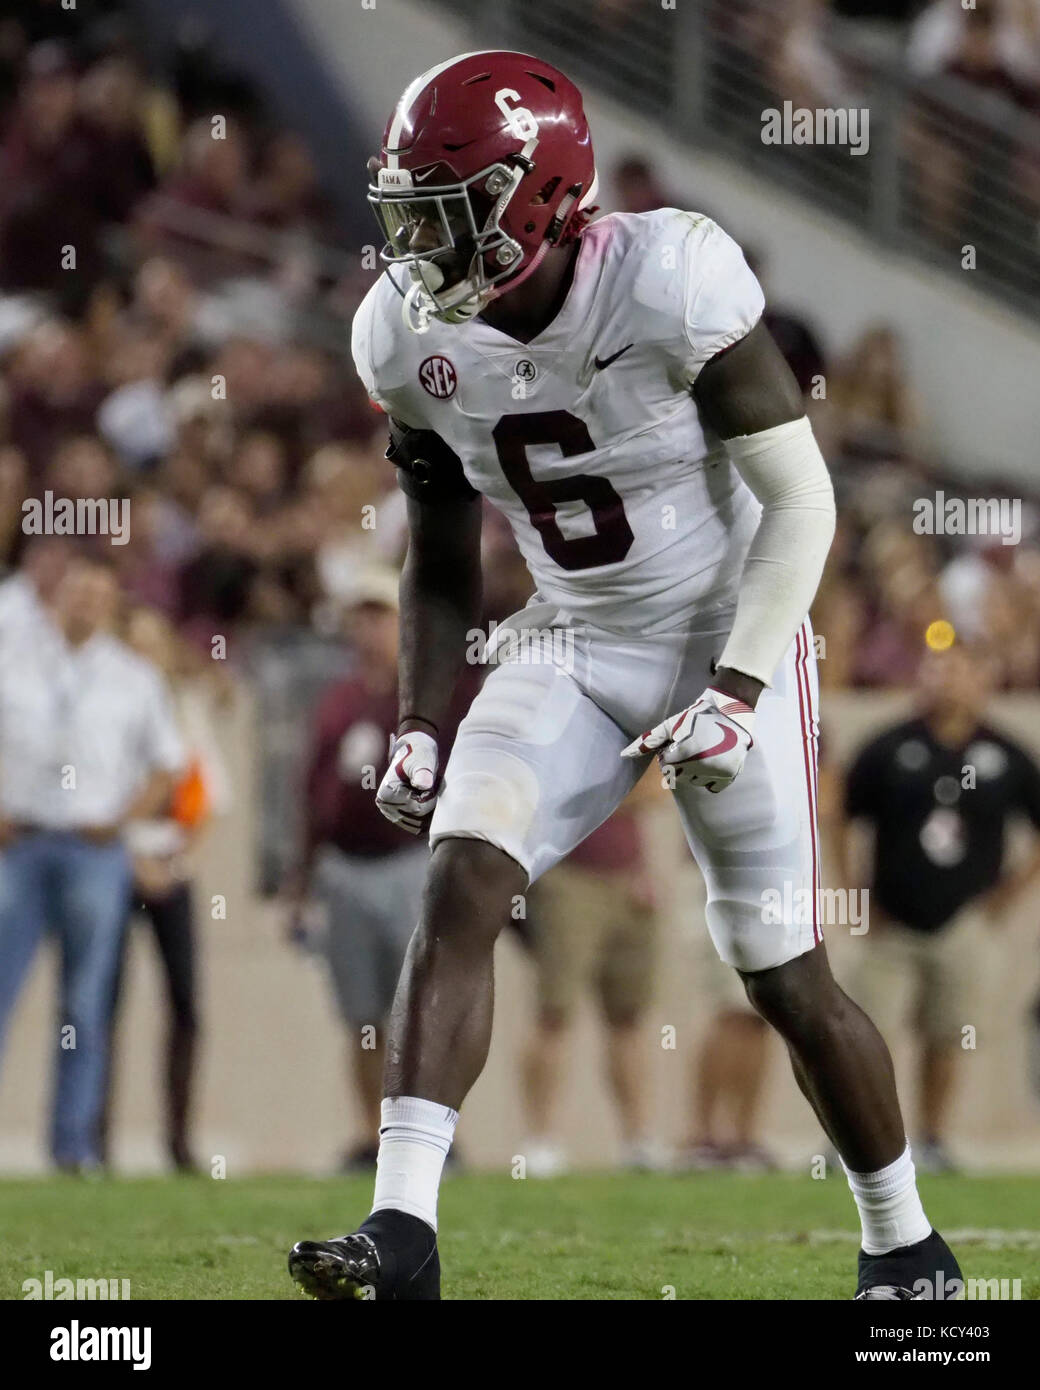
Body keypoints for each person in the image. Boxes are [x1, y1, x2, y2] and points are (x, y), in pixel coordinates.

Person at [289, 50, 962, 1301]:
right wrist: (422, 725)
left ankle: (904, 1242)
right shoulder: (403, 337)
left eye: (445, 210)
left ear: (535, 196)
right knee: (463, 874)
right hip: (574, 633)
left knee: (782, 976)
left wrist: (740, 689)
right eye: (409, 212)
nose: (416, 245)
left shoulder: (665, 277)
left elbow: (801, 502)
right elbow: (439, 557)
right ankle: (401, 1234)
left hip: (725, 624)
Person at [0, 556, 185, 1170]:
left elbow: (167, 763)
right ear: (59, 596)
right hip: (19, 843)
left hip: (94, 850)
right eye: (75, 591)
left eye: (96, 594)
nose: (83, 603)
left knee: (83, 1005)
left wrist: (124, 818)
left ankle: (72, 1146)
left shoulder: (134, 677)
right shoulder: (14, 657)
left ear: (111, 604)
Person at [837, 642, 1040, 1171]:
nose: (945, 680)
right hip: (889, 918)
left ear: (983, 681)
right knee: (865, 1034)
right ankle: (859, 1143)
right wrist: (852, 892)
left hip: (963, 920)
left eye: (958, 670)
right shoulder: (888, 746)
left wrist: (1008, 896)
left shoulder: (1006, 754)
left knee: (948, 1032)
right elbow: (839, 816)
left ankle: (930, 1138)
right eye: (935, 669)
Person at [520, 782, 664, 1175]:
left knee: (628, 1016)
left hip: (629, 874)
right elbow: (563, 793)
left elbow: (659, 787)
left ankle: (638, 1139)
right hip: (567, 876)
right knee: (555, 1011)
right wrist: (620, 790)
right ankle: (541, 1139)